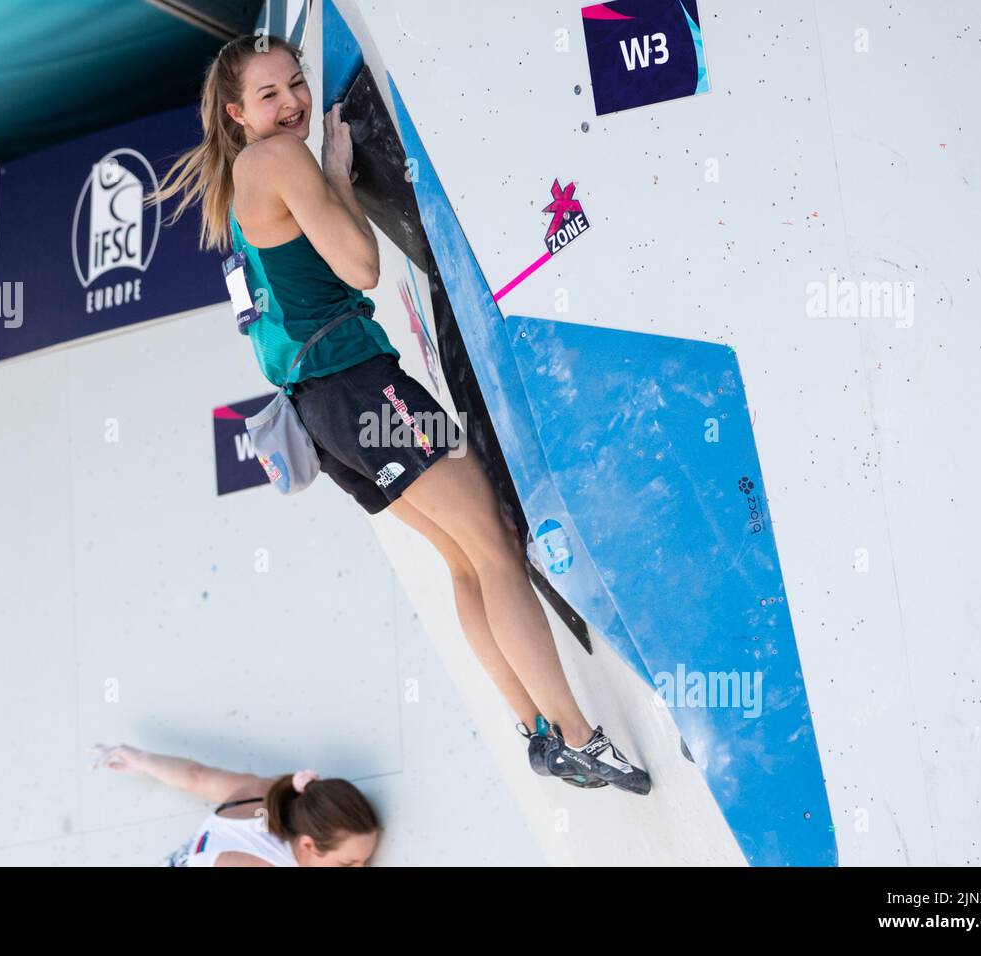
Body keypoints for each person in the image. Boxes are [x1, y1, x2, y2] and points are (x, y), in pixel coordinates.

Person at [146, 35, 649, 794]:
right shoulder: (277, 161)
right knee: (496, 549)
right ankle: (577, 736)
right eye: (270, 96)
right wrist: (336, 175)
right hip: (358, 388)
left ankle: (537, 733)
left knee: (464, 561)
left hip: (327, 410)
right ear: (235, 113)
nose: (292, 105)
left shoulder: (240, 182)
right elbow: (363, 265)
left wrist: (333, 171)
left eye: (296, 85)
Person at [90, 743, 378, 867]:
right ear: (307, 845)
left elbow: (197, 776)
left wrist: (138, 758)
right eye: (347, 863)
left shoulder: (268, 795)